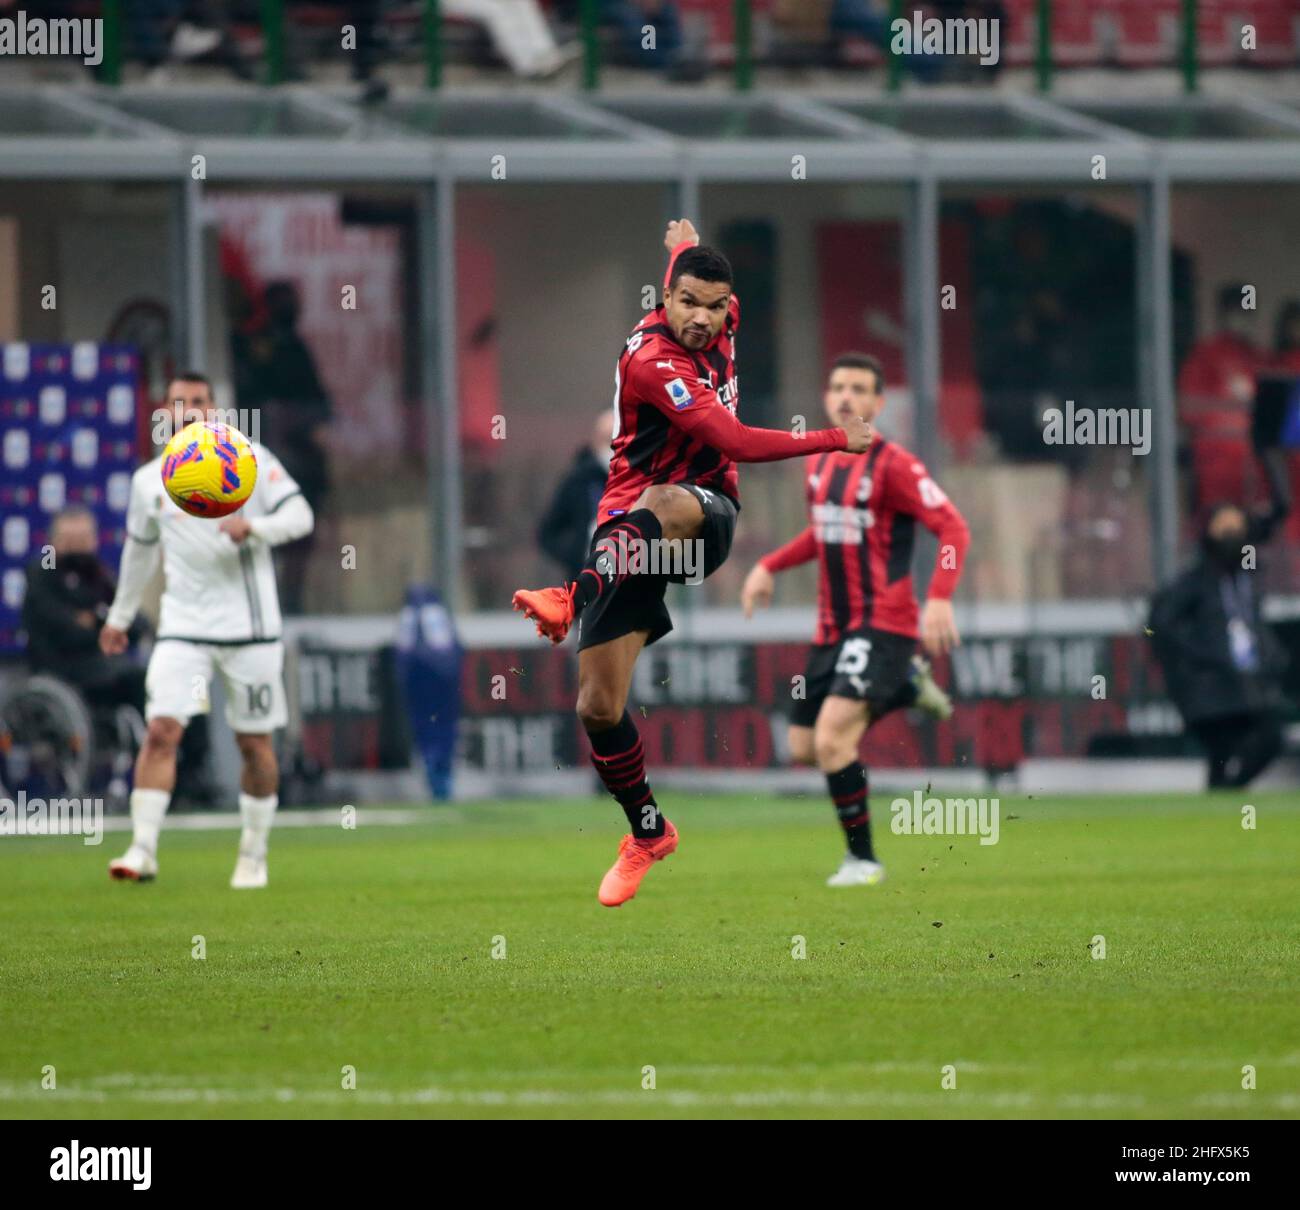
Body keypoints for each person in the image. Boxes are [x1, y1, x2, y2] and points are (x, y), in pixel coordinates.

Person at [512, 219, 870, 907]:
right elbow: (737, 436)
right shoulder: (655, 362)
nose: (703, 318)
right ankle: (649, 831)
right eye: (689, 303)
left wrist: (683, 243)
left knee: (666, 499)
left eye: (715, 305)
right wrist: (835, 438)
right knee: (597, 707)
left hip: (702, 518)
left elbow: (730, 443)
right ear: (665, 300)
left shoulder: (717, 309)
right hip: (628, 536)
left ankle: (570, 595)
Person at [740, 353, 969, 886]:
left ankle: (864, 861)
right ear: (826, 397)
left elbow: (953, 529)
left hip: (883, 623)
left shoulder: (896, 465)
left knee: (832, 741)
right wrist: (769, 565)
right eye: (839, 386)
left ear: (878, 403)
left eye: (859, 389)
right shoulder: (818, 462)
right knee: (802, 747)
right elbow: (824, 533)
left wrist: (939, 597)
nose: (846, 397)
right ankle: (904, 685)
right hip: (833, 627)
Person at [99, 372, 314, 888]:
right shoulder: (149, 481)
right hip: (183, 628)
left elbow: (301, 516)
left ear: (215, 409)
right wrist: (120, 617)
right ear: (165, 411)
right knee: (161, 731)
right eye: (180, 402)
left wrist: (254, 528)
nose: (191, 410)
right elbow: (139, 553)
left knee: (254, 744)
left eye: (200, 401)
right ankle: (143, 849)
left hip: (251, 630)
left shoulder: (250, 459)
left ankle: (253, 853)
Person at [1148, 451, 1291, 789]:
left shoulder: (1244, 579)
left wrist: (1270, 458)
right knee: (1231, 748)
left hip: (1247, 684)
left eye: (1235, 528)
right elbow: (1159, 624)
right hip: (1212, 689)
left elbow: (1278, 512)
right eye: (1223, 528)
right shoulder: (1195, 582)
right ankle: (1226, 795)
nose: (1231, 535)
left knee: (1261, 741)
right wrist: (1199, 656)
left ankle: (1225, 796)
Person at [241, 280, 331, 615]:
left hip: (301, 463)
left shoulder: (295, 348)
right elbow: (250, 404)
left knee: (298, 538)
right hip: (266, 458)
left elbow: (318, 404)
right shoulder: (251, 348)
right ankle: (265, 603)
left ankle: (291, 601)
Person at [22, 505, 146, 716]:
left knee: (152, 677)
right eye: (70, 540)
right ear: (54, 541)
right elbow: (62, 625)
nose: (76, 547)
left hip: (104, 664)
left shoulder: (97, 573)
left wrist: (96, 619)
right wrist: (105, 625)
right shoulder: (45, 566)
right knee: (134, 677)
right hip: (62, 667)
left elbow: (136, 622)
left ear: (93, 540)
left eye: (82, 539)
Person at [1177, 283, 1263, 513]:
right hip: (1215, 465)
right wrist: (1233, 407)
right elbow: (1188, 408)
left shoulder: (1257, 356)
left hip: (1254, 468)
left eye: (1247, 312)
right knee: (1218, 523)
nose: (1242, 319)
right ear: (1224, 313)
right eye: (1237, 311)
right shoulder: (1205, 355)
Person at [537, 410, 615, 582]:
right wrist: (578, 552)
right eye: (607, 439)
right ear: (596, 440)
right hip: (586, 581)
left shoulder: (640, 480)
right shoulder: (578, 480)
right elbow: (548, 533)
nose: (612, 448)